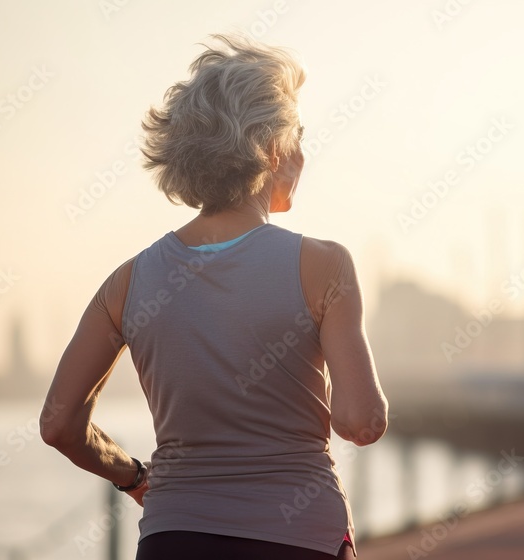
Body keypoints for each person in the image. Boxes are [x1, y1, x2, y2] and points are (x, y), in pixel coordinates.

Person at [40, 34, 388, 560]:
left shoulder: (128, 281)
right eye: (298, 138)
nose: (302, 155)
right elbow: (360, 423)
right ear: (272, 150)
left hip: (172, 537)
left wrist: (133, 477)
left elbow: (59, 424)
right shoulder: (323, 264)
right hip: (299, 539)